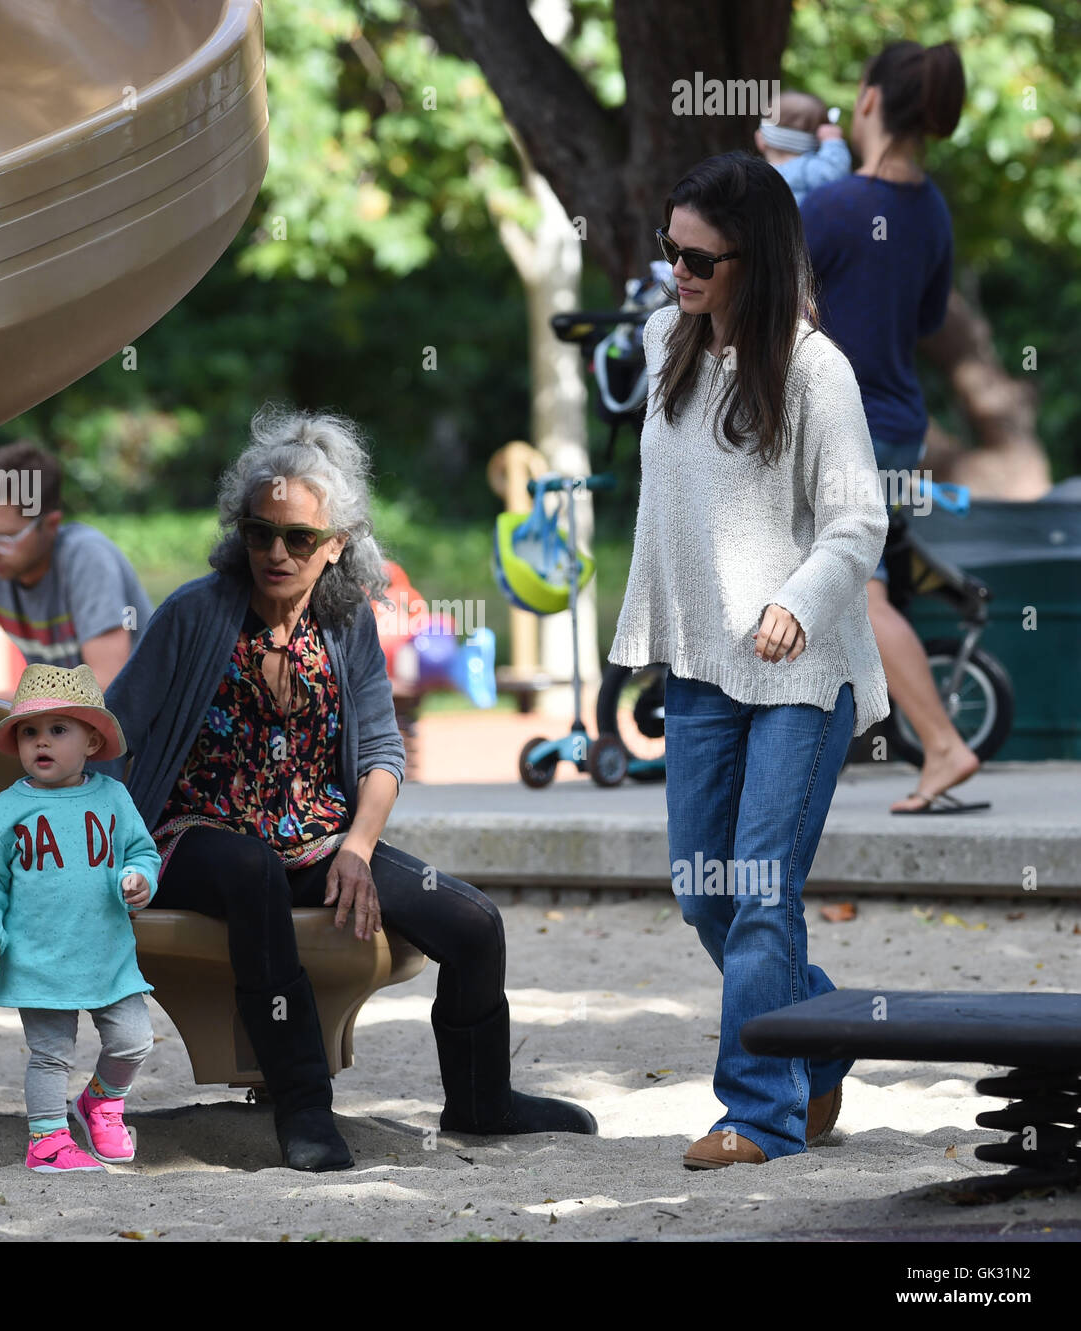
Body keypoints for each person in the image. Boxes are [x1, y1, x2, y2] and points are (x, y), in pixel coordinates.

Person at [101, 404, 598, 1172]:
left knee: (474, 923)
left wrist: (358, 848)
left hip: (319, 833)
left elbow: (381, 753)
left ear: (336, 546)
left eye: (299, 539)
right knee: (254, 871)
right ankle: (303, 1106)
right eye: (258, 531)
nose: (275, 551)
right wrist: (96, 845)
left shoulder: (348, 622)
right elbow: (113, 732)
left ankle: (480, 1100)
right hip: (197, 834)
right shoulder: (193, 615)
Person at [609, 151, 890, 1169]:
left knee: (760, 887)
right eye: (669, 251)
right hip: (698, 666)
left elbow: (860, 520)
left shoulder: (816, 371)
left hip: (801, 674)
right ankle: (819, 1032)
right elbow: (670, 510)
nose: (677, 273)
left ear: (754, 260)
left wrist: (795, 600)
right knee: (704, 890)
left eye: (699, 258)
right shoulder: (662, 342)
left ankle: (757, 1112)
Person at [799, 41, 981, 814]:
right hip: (902, 423)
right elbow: (931, 316)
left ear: (868, 101)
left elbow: (777, 300)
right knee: (842, 590)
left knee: (859, 595)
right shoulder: (930, 206)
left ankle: (942, 743)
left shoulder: (835, 207)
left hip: (850, 427)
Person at [0, 663, 161, 1173]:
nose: (41, 742)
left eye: (58, 729)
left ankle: (101, 1102)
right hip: (39, 958)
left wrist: (140, 878)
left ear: (92, 741)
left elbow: (143, 851)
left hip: (108, 954)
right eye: (29, 732)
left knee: (134, 1039)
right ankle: (47, 1141)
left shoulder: (113, 798)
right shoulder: (4, 811)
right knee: (51, 1054)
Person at [0, 440, 152, 694]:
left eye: (6, 538)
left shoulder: (87, 559)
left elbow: (106, 687)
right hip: (63, 725)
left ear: (50, 524)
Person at [754, 90, 851, 206]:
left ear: (760, 139)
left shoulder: (754, 177)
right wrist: (833, 141)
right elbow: (837, 174)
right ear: (818, 139)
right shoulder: (809, 169)